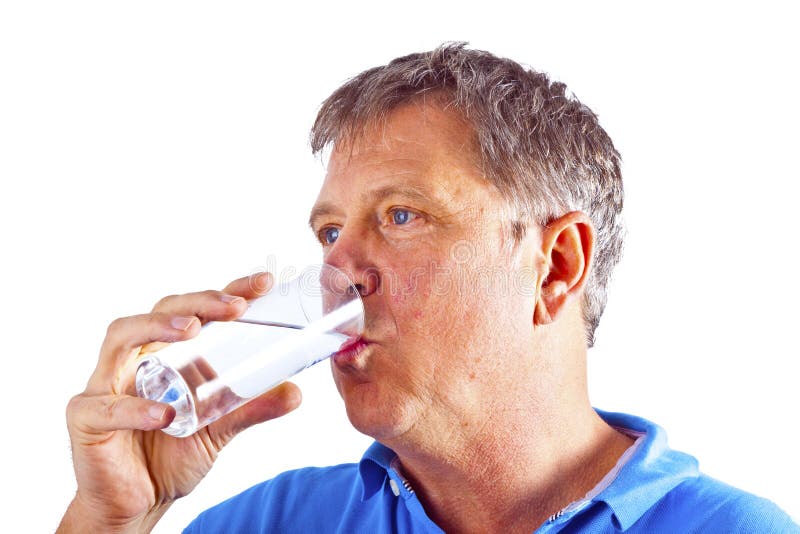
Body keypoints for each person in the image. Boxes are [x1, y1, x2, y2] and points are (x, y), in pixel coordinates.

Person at [58, 43, 798, 533]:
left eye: (401, 216)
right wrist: (110, 516)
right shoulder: (275, 522)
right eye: (328, 233)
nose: (337, 271)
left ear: (558, 265)